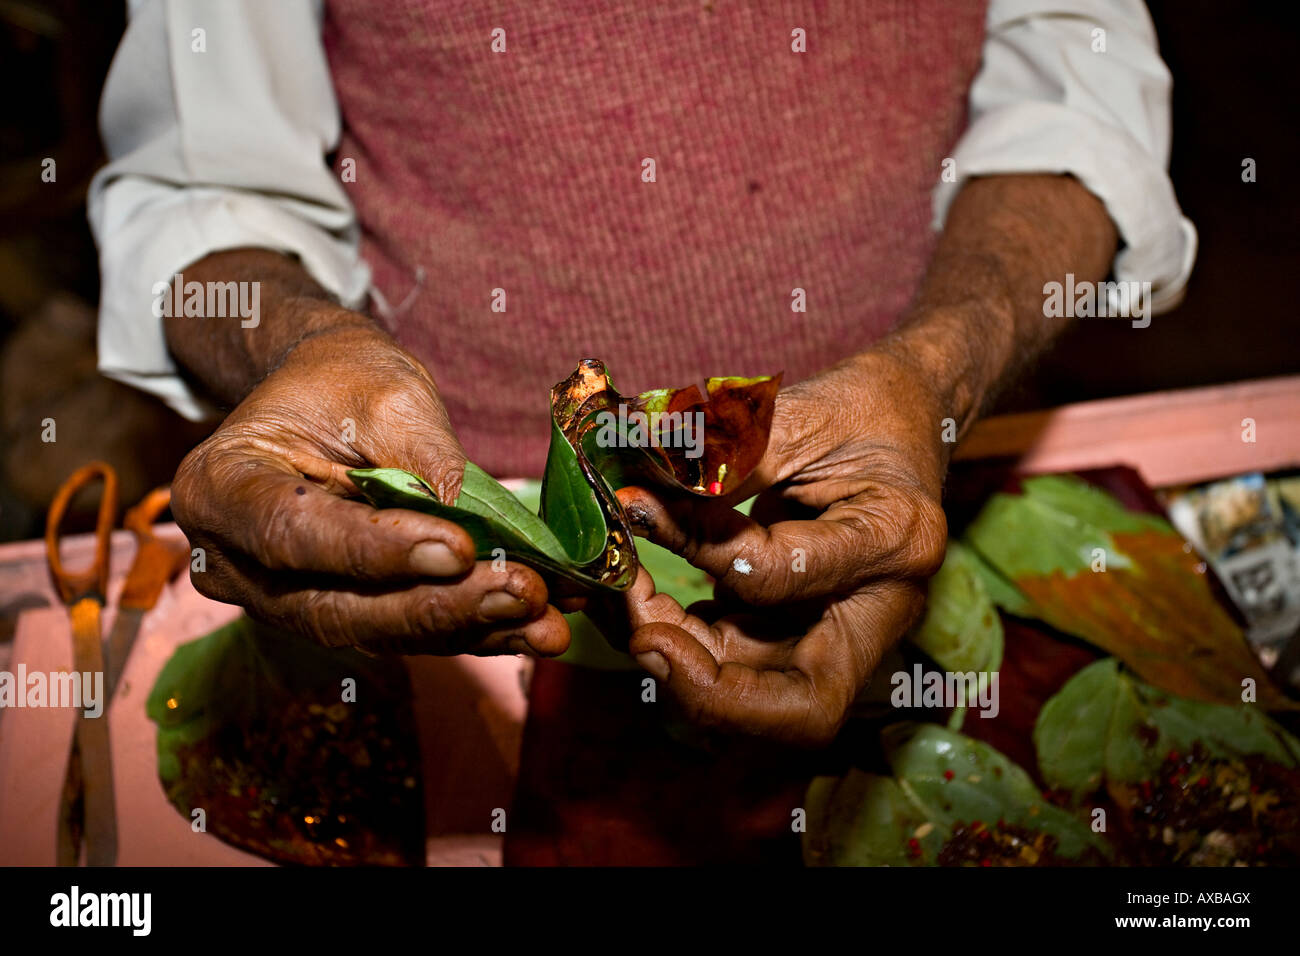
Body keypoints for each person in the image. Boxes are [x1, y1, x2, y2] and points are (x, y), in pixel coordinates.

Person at [90, 0, 1195, 745]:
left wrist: (939, 373)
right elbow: (200, 186)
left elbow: (1075, 83)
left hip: (940, 470)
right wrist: (294, 342)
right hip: (474, 590)